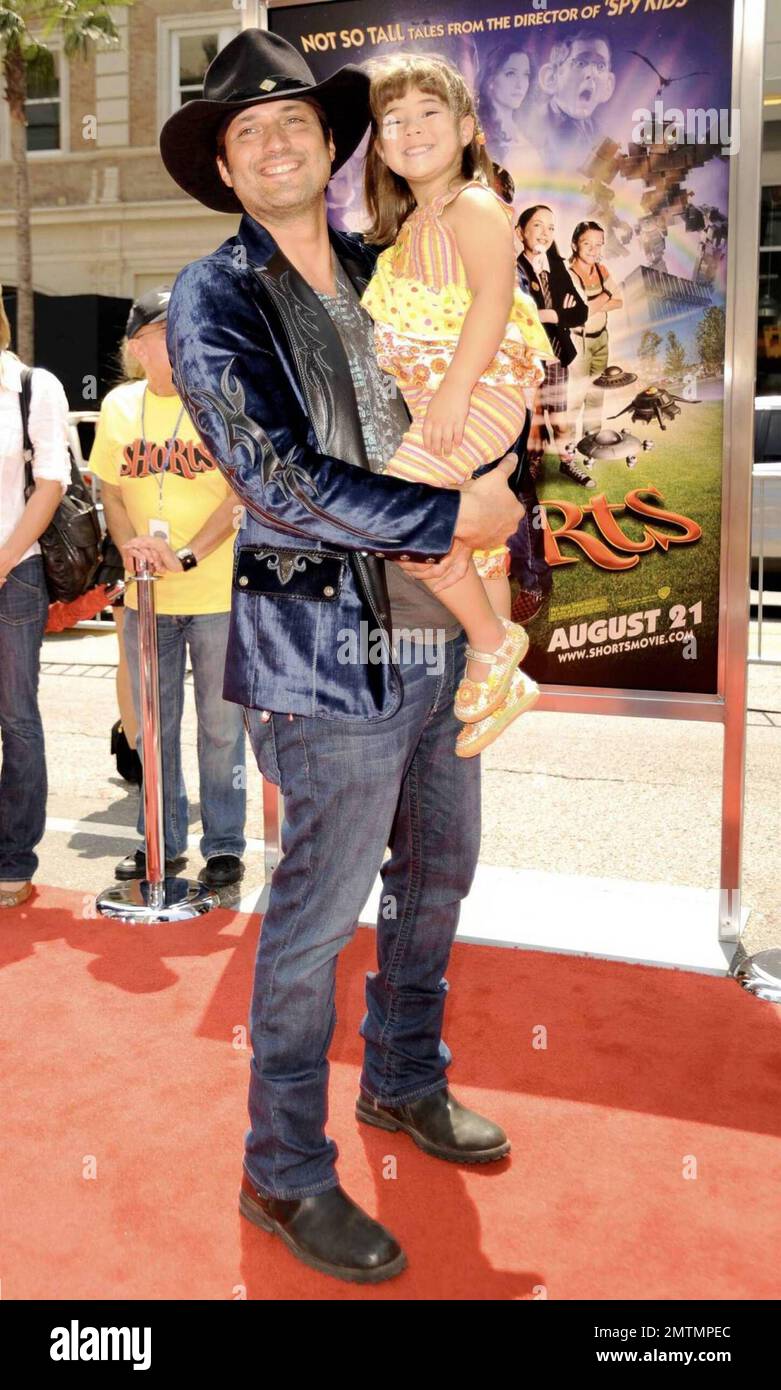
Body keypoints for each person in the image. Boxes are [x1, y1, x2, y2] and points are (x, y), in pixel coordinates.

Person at [160, 28, 526, 1285]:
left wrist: (492, 480)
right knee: (314, 920)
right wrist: (450, 516)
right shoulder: (216, 295)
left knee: (438, 876)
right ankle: (283, 1169)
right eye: (244, 130)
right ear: (223, 162)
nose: (273, 141)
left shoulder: (390, 261)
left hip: (435, 625)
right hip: (321, 648)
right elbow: (270, 478)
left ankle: (406, 1079)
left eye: (294, 124)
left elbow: (486, 364)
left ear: (329, 144)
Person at [360, 54, 552, 755]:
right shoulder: (419, 218)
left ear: (467, 128)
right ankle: (501, 678)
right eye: (394, 120)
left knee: (400, 521)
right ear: (379, 146)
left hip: (472, 396)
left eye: (428, 114)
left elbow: (495, 302)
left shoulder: (471, 203)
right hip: (455, 401)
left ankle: (492, 645)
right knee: (462, 535)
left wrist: (449, 393)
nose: (410, 130)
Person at [88, 287, 247, 890]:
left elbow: (239, 494)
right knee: (153, 726)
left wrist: (186, 555)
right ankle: (161, 838)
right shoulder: (120, 407)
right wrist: (132, 550)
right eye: (167, 330)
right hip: (144, 596)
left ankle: (226, 845)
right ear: (139, 347)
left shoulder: (216, 401)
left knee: (220, 727)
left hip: (211, 595)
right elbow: (110, 489)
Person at [0, 288, 71, 908]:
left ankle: (14, 859)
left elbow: (51, 481)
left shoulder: (30, 385)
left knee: (16, 719)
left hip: (14, 570)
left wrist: (2, 558)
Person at [516, 203, 592, 487]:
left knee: (559, 421)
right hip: (526, 360)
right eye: (538, 225)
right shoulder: (513, 269)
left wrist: (553, 314)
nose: (545, 232)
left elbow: (580, 312)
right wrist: (546, 314)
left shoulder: (557, 268)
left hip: (557, 356)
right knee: (534, 424)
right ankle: (532, 469)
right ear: (520, 231)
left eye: (551, 227)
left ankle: (568, 463)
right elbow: (516, 316)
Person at [568, 219, 624, 438]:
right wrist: (605, 294)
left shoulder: (601, 270)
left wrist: (595, 303)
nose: (594, 249)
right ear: (574, 245)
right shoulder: (568, 274)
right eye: (587, 243)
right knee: (576, 395)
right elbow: (581, 314)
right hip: (578, 342)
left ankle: (592, 438)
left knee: (597, 393)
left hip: (602, 339)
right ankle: (568, 446)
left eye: (599, 244)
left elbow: (619, 301)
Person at [476, 41, 543, 179]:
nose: (520, 84)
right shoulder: (476, 135)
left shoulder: (528, 131)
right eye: (511, 74)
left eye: (526, 75)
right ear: (490, 80)